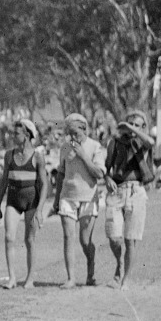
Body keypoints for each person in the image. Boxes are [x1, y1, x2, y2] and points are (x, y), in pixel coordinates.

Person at [0, 118, 49, 290]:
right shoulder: (9, 155)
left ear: (27, 135)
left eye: (16, 133)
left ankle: (30, 278)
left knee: (29, 240)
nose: (12, 136)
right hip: (13, 200)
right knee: (9, 237)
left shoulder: (37, 157)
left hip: (32, 201)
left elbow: (44, 184)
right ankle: (12, 278)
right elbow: (3, 182)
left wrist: (39, 210)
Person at [50, 114, 106, 287]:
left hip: (88, 197)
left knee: (85, 240)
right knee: (68, 236)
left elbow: (99, 174)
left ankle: (91, 272)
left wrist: (83, 155)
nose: (73, 137)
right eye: (70, 133)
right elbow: (60, 173)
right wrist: (57, 198)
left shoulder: (95, 147)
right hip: (68, 196)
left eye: (76, 133)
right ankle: (71, 278)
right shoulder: (64, 148)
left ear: (84, 129)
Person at [102, 110, 155, 289]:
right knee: (113, 236)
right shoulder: (115, 143)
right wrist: (107, 179)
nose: (134, 128)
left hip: (136, 191)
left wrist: (135, 130)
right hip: (117, 191)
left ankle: (125, 278)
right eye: (131, 124)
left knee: (130, 239)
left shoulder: (143, 144)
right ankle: (119, 263)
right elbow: (106, 169)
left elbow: (150, 141)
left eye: (139, 125)